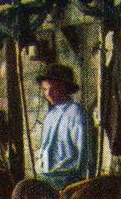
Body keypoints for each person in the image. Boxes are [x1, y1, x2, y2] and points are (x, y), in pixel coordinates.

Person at [34, 63, 93, 191]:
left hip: (69, 180)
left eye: (53, 89)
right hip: (48, 177)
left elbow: (84, 152)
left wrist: (83, 181)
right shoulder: (50, 115)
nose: (48, 93)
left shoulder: (76, 112)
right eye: (45, 89)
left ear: (65, 88)